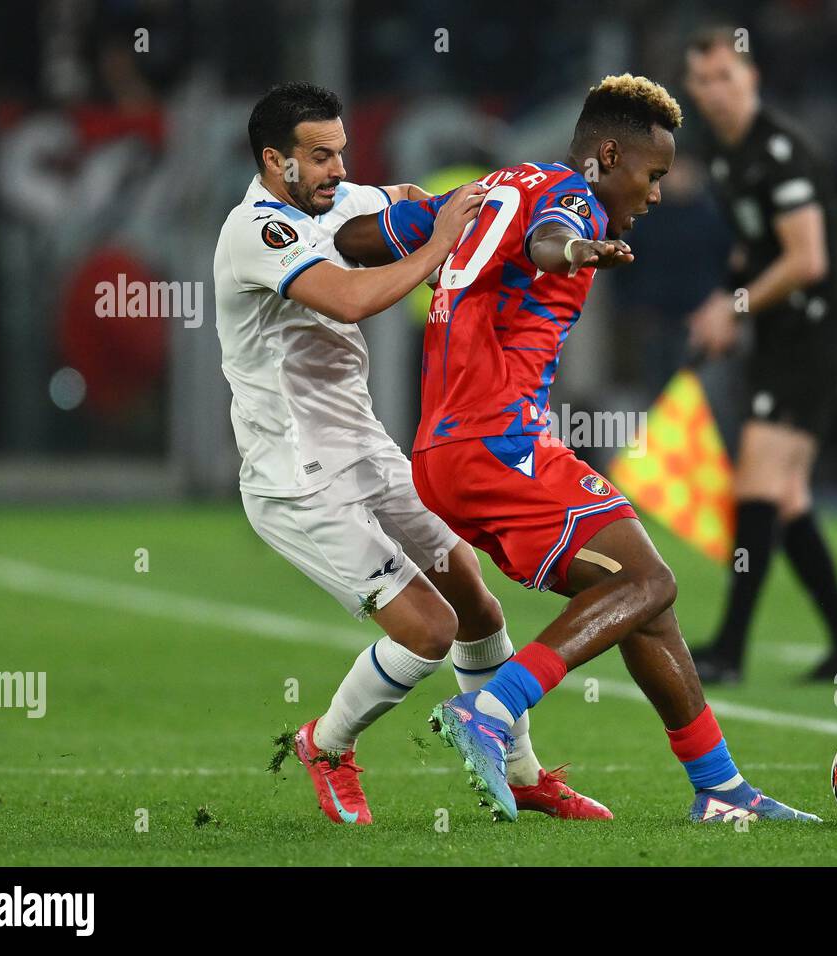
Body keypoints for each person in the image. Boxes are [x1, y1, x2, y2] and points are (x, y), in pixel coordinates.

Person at [336, 74, 818, 825]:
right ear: (606, 153)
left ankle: (720, 788)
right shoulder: (571, 193)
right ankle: (490, 711)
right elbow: (549, 239)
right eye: (650, 174)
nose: (654, 194)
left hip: (442, 452)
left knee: (636, 602)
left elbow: (354, 241)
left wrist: (382, 208)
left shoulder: (485, 189)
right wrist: (576, 250)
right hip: (501, 443)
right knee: (651, 582)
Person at [213, 82, 611, 825]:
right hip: (296, 478)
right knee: (427, 630)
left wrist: (507, 202)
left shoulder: (340, 201)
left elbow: (427, 207)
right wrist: (437, 245)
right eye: (319, 156)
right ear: (275, 161)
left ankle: (520, 771)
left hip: (367, 451)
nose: (337, 168)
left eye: (340, 151)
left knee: (477, 603)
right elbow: (353, 299)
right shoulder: (254, 232)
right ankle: (325, 745)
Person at [680, 27, 837, 683]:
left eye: (725, 78)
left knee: (758, 484)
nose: (715, 92)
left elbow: (807, 259)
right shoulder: (724, 152)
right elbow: (753, 247)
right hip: (780, 333)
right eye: (702, 81)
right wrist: (727, 300)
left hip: (814, 332)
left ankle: (729, 651)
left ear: (752, 79)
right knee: (787, 496)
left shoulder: (779, 150)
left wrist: (734, 308)